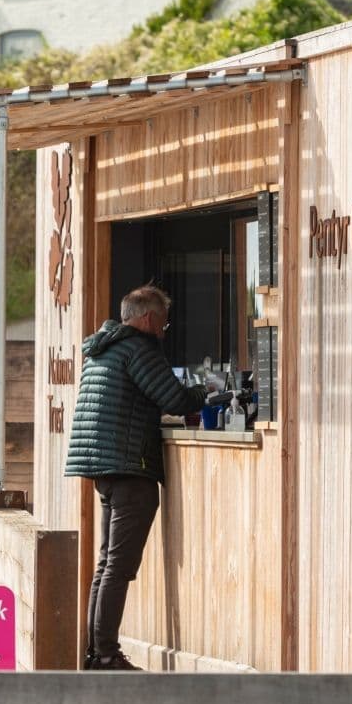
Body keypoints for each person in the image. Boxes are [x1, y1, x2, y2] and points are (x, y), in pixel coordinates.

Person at [65, 285, 208, 671]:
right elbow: (174, 400)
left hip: (104, 467)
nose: (164, 329)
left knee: (106, 564)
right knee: (118, 567)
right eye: (162, 321)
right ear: (147, 318)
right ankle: (106, 654)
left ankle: (97, 653)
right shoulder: (140, 348)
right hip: (130, 467)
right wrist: (208, 393)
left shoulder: (104, 348)